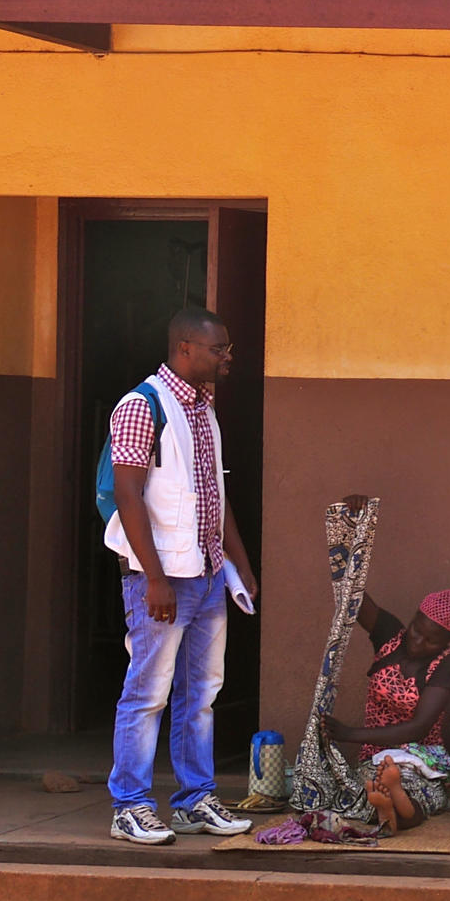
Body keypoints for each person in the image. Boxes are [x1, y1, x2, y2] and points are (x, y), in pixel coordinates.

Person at [105, 306, 259, 846]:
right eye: (219, 349)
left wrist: (237, 562)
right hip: (164, 576)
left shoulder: (205, 408)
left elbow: (215, 495)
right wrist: (154, 577)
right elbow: (128, 496)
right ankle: (129, 805)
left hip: (208, 574)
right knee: (147, 692)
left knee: (201, 695)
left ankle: (195, 800)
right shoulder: (142, 407)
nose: (228, 357)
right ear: (186, 349)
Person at [324, 587, 450, 834]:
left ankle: (396, 800)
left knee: (415, 787)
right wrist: (347, 556)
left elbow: (419, 728)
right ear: (412, 619)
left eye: (431, 640)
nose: (418, 642)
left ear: (447, 642)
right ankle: (393, 805)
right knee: (375, 784)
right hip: (376, 753)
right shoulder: (391, 637)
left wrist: (349, 734)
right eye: (416, 630)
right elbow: (354, 598)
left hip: (421, 756)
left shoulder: (447, 663)